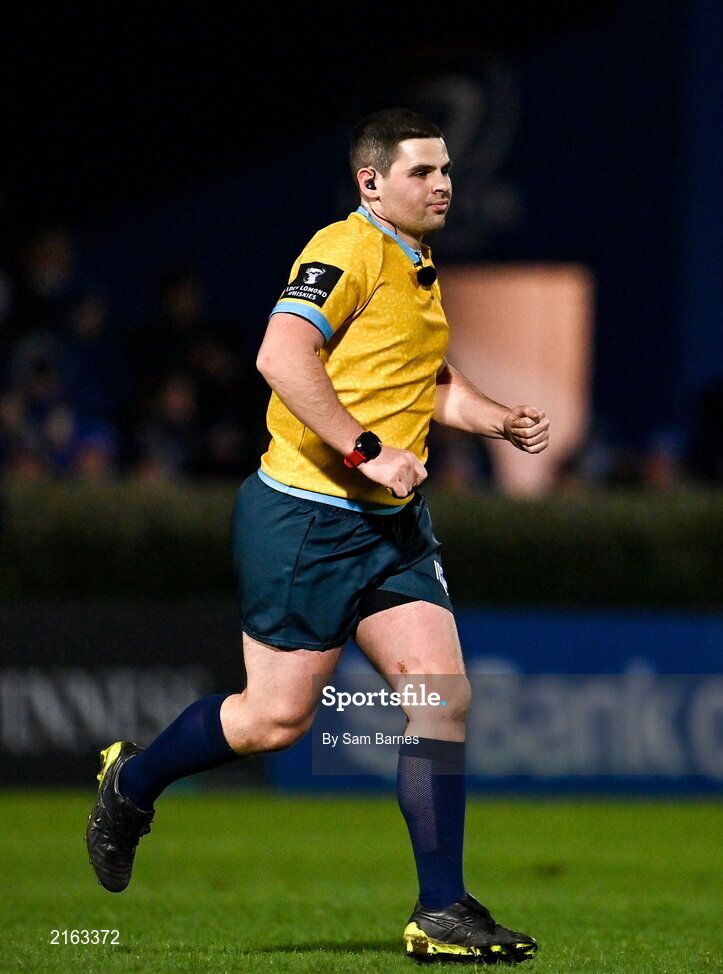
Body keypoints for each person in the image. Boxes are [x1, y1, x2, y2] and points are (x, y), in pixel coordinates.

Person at [86, 108, 549, 965]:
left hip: (389, 529)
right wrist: (367, 449)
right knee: (273, 720)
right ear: (371, 181)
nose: (442, 183)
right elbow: (280, 354)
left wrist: (491, 417)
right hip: (308, 522)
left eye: (445, 170)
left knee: (438, 695)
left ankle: (441, 910)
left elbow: (424, 378)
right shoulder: (344, 248)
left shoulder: (413, 262)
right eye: (422, 172)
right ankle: (132, 780)